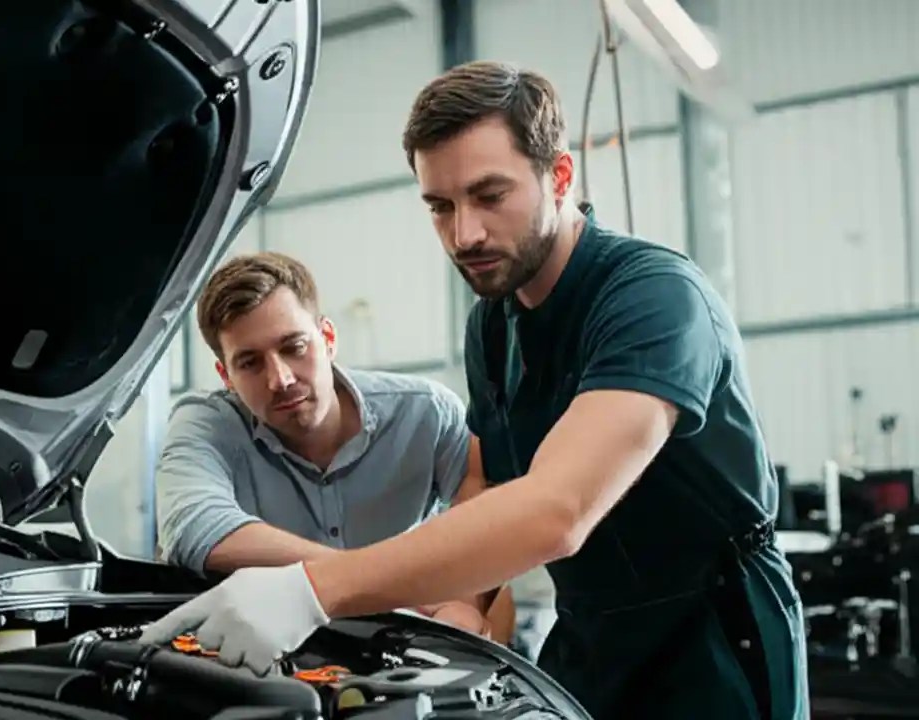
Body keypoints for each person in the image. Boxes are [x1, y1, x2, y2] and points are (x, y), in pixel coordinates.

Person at [141, 61, 809, 720]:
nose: (464, 234)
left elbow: (558, 508)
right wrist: (466, 598)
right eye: (440, 206)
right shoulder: (492, 324)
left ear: (560, 177)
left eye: (490, 196)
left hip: (712, 635)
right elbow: (490, 486)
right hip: (590, 635)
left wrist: (314, 590)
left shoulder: (654, 299)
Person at [154, 250, 515, 642]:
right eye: (250, 363)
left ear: (327, 338)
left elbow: (485, 509)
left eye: (294, 347)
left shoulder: (425, 412)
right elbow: (193, 527)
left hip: (407, 654)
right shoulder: (205, 424)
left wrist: (465, 604)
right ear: (225, 375)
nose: (280, 379)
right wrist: (374, 583)